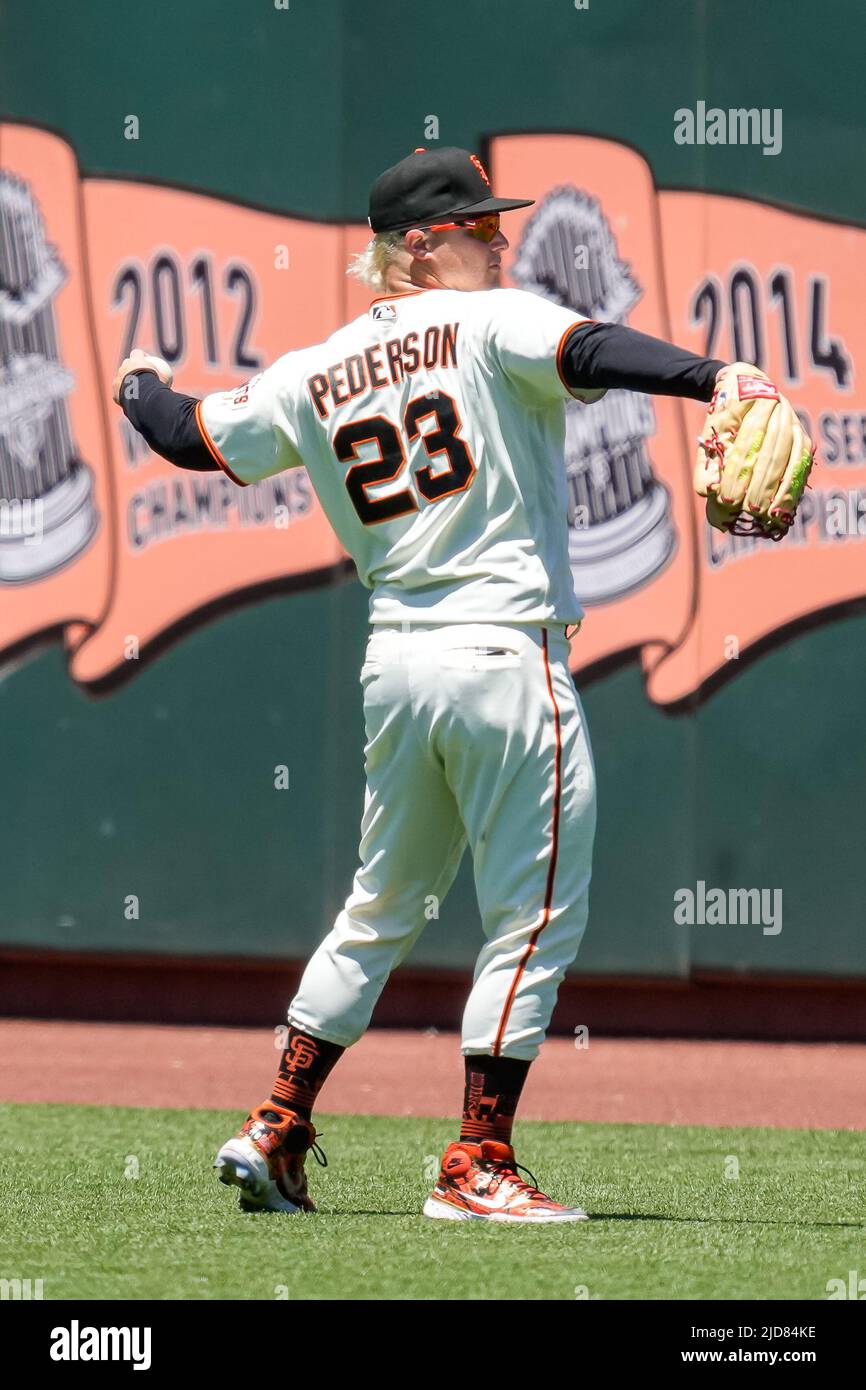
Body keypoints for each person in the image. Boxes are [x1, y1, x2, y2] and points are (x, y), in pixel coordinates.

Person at [113, 146, 729, 1224]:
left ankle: (277, 1123)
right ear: (416, 245)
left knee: (380, 904)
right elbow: (590, 347)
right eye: (479, 226)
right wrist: (717, 377)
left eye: (497, 224)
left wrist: (134, 382)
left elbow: (186, 437)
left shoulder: (313, 368)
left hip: (396, 662)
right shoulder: (493, 321)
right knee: (533, 918)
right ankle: (476, 1161)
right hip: (502, 653)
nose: (500, 240)